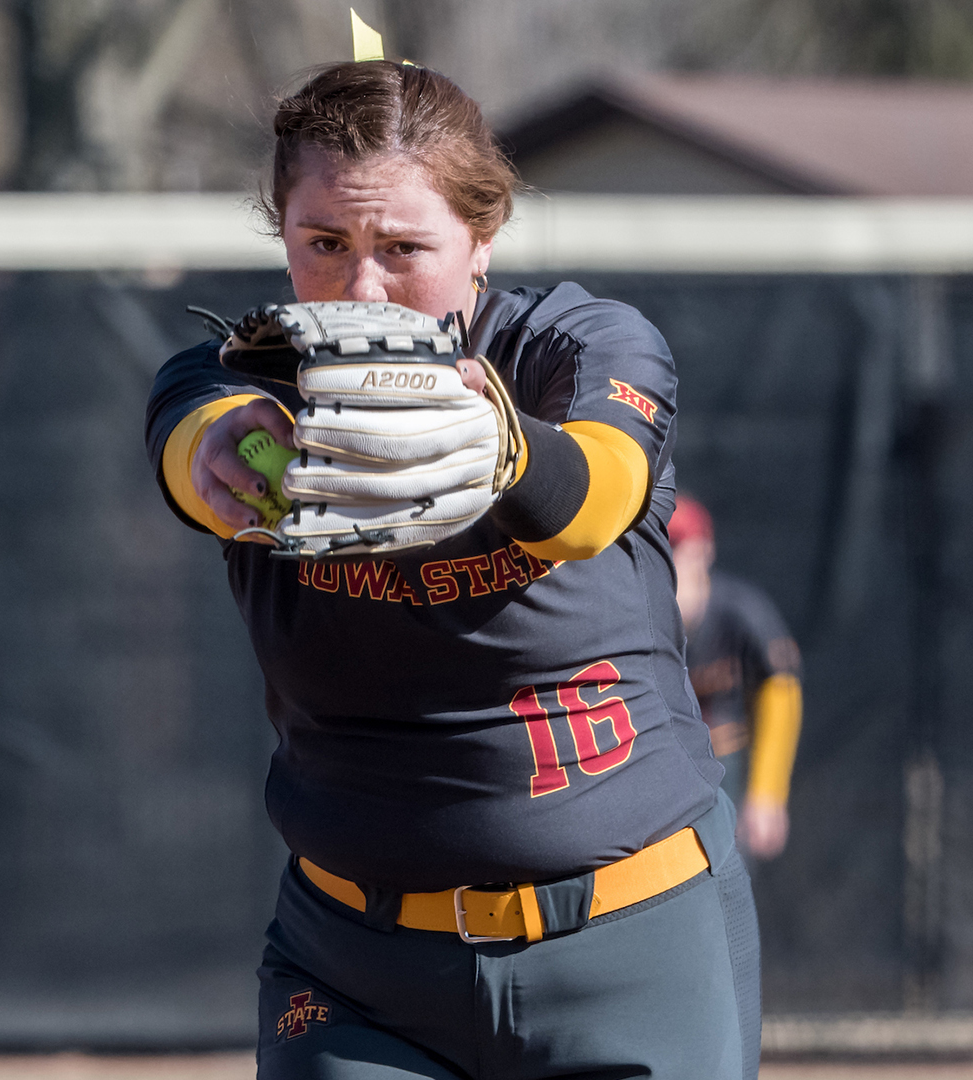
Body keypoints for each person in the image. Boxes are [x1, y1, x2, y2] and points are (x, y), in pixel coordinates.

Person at [144, 60, 758, 1080]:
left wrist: (509, 452)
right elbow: (195, 448)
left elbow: (601, 493)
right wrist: (233, 455)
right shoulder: (243, 379)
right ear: (281, 233)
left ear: (482, 238)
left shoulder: (575, 347)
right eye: (325, 244)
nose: (363, 284)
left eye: (404, 247)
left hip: (633, 943)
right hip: (353, 972)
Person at [667, 495, 803, 860]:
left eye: (680, 545)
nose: (673, 557)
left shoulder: (741, 614)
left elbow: (781, 689)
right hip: (665, 778)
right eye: (664, 546)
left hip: (730, 772)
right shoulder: (640, 623)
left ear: (704, 550)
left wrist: (768, 793)